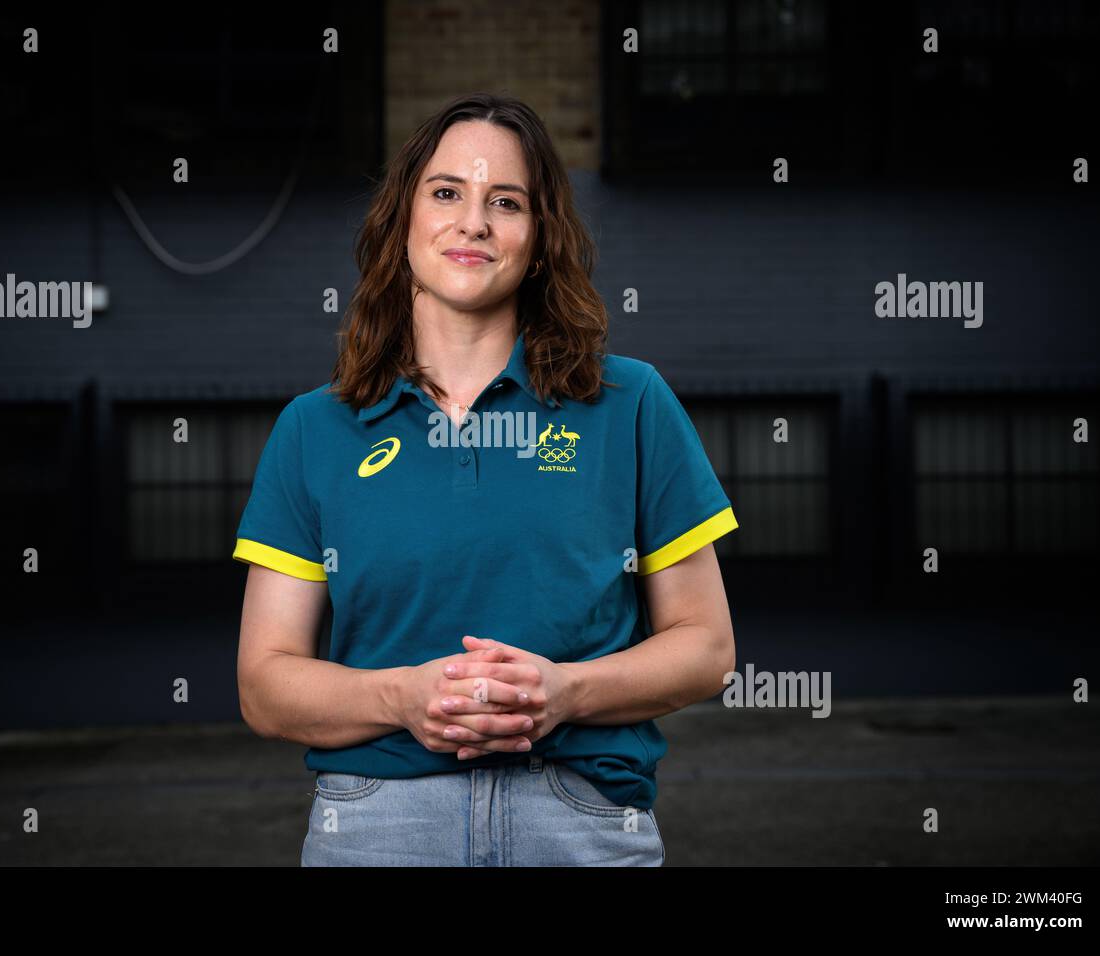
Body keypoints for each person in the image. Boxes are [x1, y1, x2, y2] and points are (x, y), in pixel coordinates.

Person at [234, 92, 738, 866]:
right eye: (446, 193)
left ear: (538, 242)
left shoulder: (631, 405)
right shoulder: (314, 428)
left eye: (505, 202)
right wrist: (401, 699)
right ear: (401, 220)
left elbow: (706, 648)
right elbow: (265, 685)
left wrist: (564, 691)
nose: (473, 222)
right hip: (376, 825)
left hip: (581, 817)